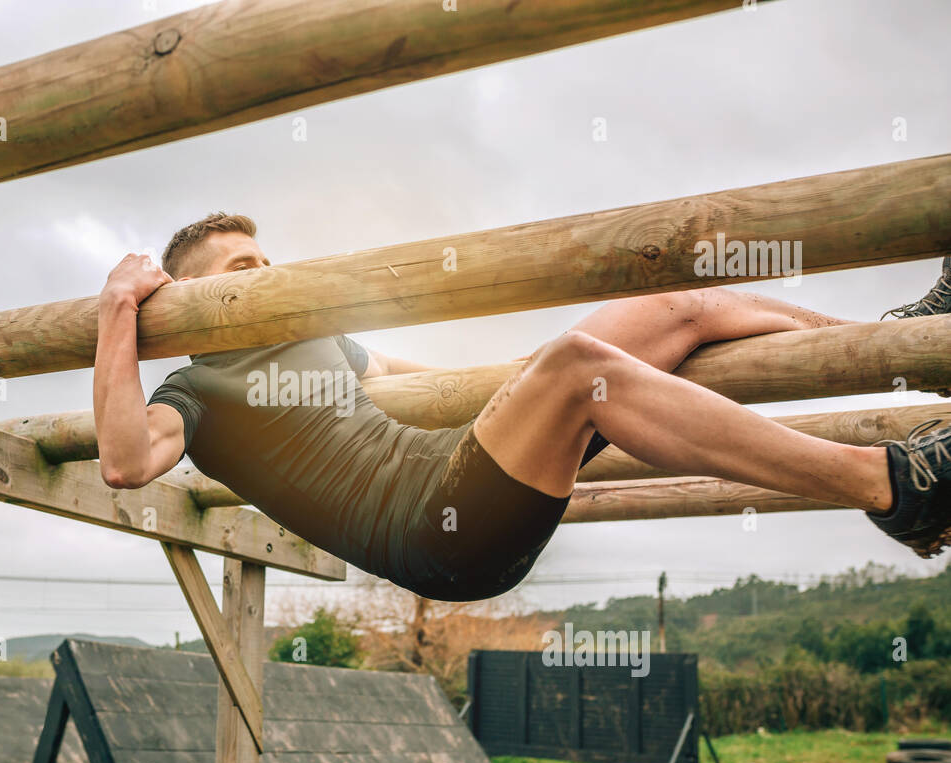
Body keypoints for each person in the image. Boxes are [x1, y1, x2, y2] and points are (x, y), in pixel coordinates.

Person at [93, 213, 951, 602]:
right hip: (435, 534)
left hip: (469, 466)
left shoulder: (325, 344)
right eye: (239, 270)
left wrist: (530, 382)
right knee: (579, 367)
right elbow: (127, 460)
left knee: (675, 306)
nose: (265, 275)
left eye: (266, 259)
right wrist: (119, 311)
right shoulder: (193, 392)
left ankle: (909, 346)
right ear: (189, 302)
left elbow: (450, 380)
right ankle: (891, 485)